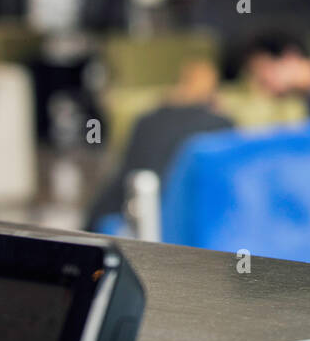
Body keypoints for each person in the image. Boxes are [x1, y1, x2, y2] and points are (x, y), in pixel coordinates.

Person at [86, 58, 233, 232]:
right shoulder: (223, 125)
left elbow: (122, 177)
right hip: (187, 222)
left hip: (129, 214)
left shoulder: (146, 120)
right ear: (214, 95)